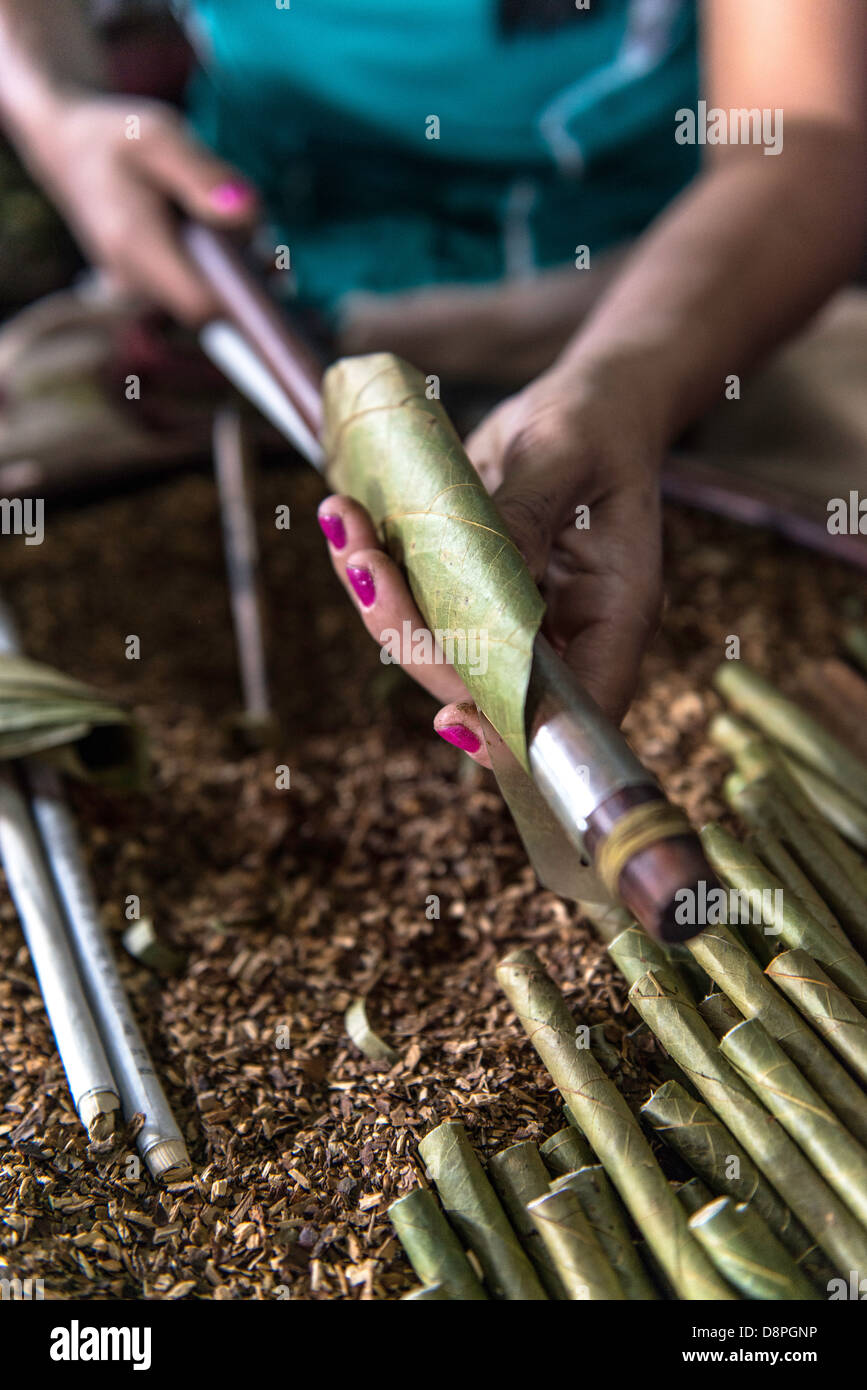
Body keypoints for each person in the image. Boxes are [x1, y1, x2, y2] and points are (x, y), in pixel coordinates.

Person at [1, 0, 864, 766]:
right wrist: (63, 117)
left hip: (659, 295)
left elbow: (801, 137)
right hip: (236, 280)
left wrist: (625, 383)